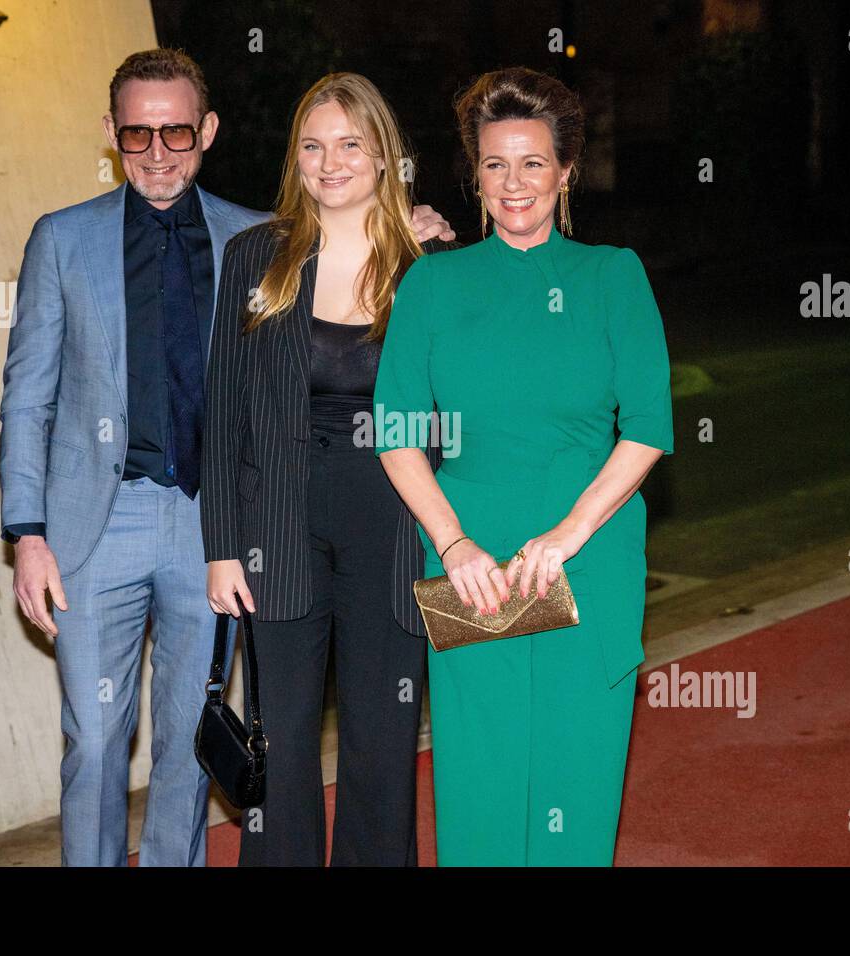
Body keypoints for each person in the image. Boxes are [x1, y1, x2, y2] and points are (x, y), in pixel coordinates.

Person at [0, 48, 452, 867]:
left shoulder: (254, 237)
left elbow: (444, 383)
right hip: (120, 524)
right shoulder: (68, 241)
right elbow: (27, 394)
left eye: (177, 131)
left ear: (206, 132)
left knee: (195, 740)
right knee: (98, 739)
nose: (159, 150)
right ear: (112, 135)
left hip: (251, 515)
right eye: (139, 134)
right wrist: (26, 530)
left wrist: (415, 225)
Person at [374, 67, 674, 866]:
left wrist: (568, 534)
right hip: (475, 567)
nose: (515, 183)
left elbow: (646, 429)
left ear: (566, 171)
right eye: (497, 164)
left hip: (589, 556)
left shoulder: (614, 276)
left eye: (534, 162)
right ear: (474, 174)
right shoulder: (433, 284)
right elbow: (396, 432)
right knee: (481, 780)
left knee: (578, 779)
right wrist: (455, 543)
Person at [202, 72, 447, 866]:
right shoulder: (256, 258)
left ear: (384, 155)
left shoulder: (432, 261)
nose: (329, 161)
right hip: (279, 528)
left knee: (382, 738)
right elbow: (223, 410)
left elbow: (463, 413)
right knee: (284, 738)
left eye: (349, 144)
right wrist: (221, 545)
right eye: (312, 145)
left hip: (395, 522)